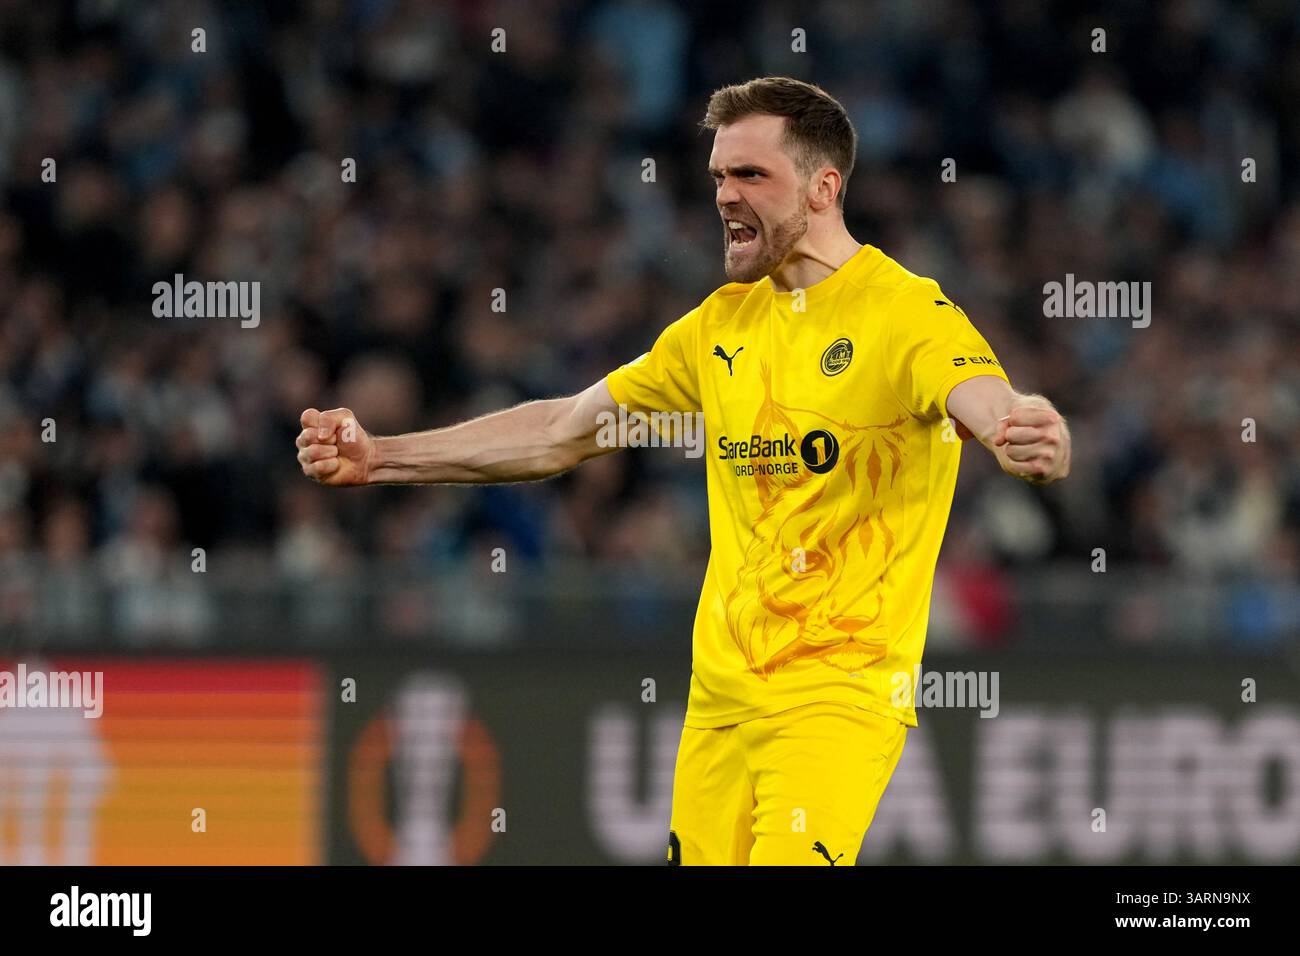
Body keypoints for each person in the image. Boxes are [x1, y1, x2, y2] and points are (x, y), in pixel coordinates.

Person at [295, 76, 1071, 865]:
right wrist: (383, 456)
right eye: (718, 177)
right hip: (720, 705)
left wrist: (1020, 432)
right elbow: (562, 431)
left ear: (823, 187)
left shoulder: (906, 314)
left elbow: (985, 400)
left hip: (836, 697)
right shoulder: (720, 327)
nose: (724, 196)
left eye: (750, 176)